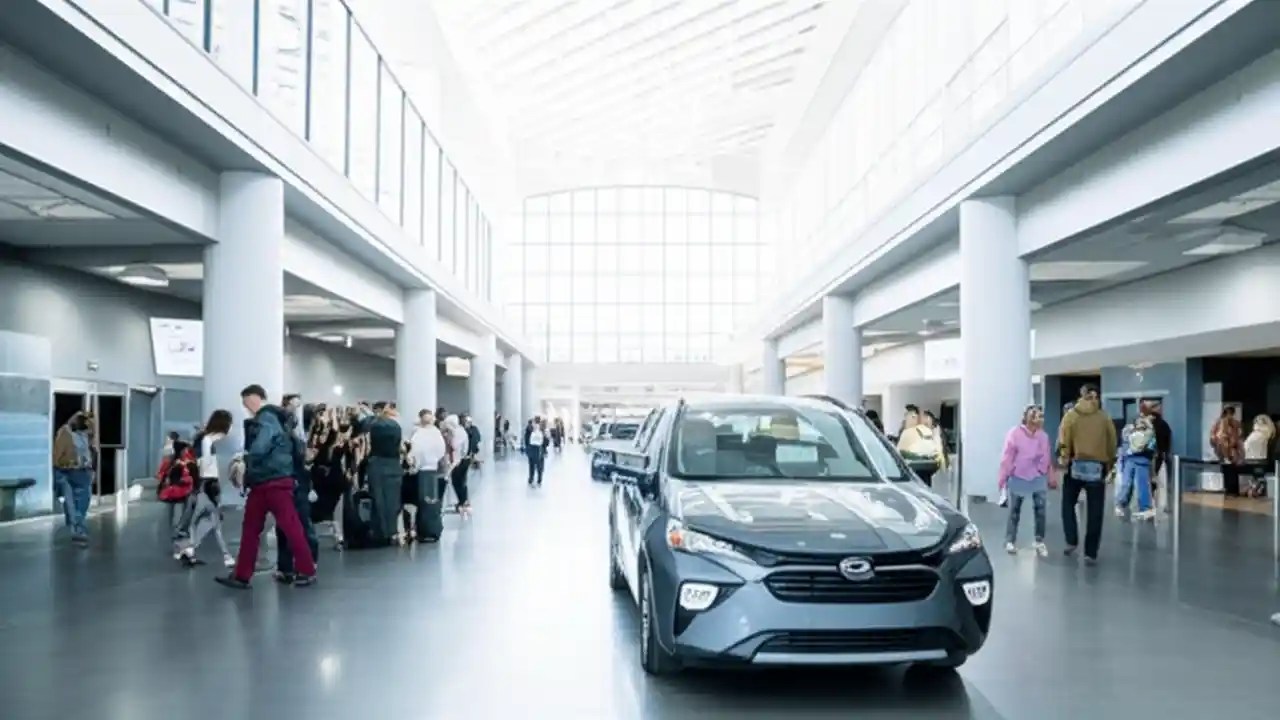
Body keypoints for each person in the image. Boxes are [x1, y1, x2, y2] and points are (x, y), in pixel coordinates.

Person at [216, 385, 316, 589]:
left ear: (254, 398)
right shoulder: (278, 419)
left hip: (271, 482)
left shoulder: (266, 417)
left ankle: (246, 575)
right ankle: (245, 575)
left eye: (246, 402)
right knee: (283, 527)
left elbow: (261, 445)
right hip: (272, 480)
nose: (246, 408)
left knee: (266, 528)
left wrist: (245, 458)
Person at [1059, 383, 1117, 564]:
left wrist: (1064, 459)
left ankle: (1071, 539)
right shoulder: (1104, 417)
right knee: (1095, 511)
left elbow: (1064, 440)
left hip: (1075, 466)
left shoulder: (1071, 416)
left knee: (1067, 504)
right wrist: (1109, 464)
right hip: (1097, 468)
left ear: (1081, 396)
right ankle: (1090, 552)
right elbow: (1112, 443)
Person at [177, 410, 235, 568]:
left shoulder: (207, 440)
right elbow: (206, 465)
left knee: (209, 520)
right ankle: (224, 555)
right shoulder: (209, 441)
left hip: (207, 483)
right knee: (211, 520)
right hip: (209, 483)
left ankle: (189, 550)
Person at [999, 405, 1052, 556]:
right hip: (1018, 476)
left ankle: (1039, 540)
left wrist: (1043, 471)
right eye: (1034, 415)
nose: (1038, 419)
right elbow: (1007, 456)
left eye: (1040, 416)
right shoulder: (1014, 433)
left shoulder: (1043, 436)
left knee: (1040, 510)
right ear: (1026, 417)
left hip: (1037, 477)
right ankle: (1010, 540)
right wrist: (1005, 475)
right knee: (1014, 510)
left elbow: (1046, 456)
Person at [274, 410, 320, 582]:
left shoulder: (286, 441)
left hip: (291, 486)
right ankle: (299, 566)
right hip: (293, 486)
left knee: (296, 525)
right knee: (295, 525)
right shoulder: (293, 440)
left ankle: (296, 567)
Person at [362, 402, 406, 544]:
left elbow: (367, 448)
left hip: (377, 465)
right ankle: (392, 531)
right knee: (393, 500)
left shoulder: (373, 427)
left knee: (378, 499)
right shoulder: (397, 427)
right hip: (394, 465)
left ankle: (380, 532)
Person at [52, 411, 95, 545]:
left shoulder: (83, 435)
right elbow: (57, 456)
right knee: (75, 501)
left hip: (80, 472)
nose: (89, 431)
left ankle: (76, 527)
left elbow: (89, 451)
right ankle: (78, 528)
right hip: (69, 471)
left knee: (78, 502)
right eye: (87, 427)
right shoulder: (66, 433)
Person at [409, 410, 447, 540]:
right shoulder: (437, 434)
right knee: (432, 500)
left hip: (421, 471)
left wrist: (414, 465)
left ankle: (423, 530)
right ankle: (433, 528)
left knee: (422, 500)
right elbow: (441, 452)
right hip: (433, 469)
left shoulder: (418, 434)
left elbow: (413, 453)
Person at [1116, 416, 1157, 520]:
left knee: (1140, 485)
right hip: (1135, 459)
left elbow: (1137, 446)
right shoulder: (1143, 432)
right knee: (1129, 484)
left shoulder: (1147, 433)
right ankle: (1124, 504)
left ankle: (1145, 507)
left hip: (1139, 460)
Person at [441, 415, 472, 515]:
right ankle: (463, 502)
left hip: (460, 461)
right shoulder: (459, 430)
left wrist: (448, 437)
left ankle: (463, 502)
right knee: (458, 483)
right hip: (459, 460)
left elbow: (454, 446)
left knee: (459, 483)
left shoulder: (457, 432)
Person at [1210, 406, 1244, 497]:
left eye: (1231, 413)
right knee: (1228, 470)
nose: (1230, 415)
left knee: (1232, 470)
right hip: (1224, 450)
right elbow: (1215, 437)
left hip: (1232, 450)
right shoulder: (1219, 423)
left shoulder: (1235, 424)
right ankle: (1230, 490)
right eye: (1229, 413)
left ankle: (1233, 490)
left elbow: (1239, 436)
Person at [525, 416, 547, 487]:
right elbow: (545, 440)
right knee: (539, 465)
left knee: (531, 465)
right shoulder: (542, 429)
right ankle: (539, 479)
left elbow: (526, 438)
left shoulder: (531, 428)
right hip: (539, 448)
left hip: (532, 447)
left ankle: (531, 478)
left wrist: (527, 447)